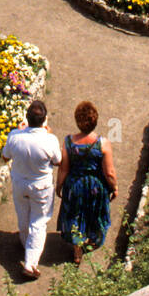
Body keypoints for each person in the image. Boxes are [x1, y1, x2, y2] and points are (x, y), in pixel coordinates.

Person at [1, 100, 62, 280]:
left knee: (23, 216)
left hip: (20, 183)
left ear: (26, 119)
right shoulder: (50, 140)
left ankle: (26, 243)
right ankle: (30, 263)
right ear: (44, 120)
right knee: (39, 222)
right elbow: (58, 161)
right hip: (41, 186)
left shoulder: (14, 136)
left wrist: (19, 132)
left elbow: (5, 157)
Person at [56, 101, 118, 265]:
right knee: (94, 214)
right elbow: (109, 172)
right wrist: (114, 187)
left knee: (75, 215)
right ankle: (90, 240)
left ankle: (77, 250)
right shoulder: (103, 143)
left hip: (74, 185)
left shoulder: (68, 142)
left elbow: (63, 169)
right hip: (95, 186)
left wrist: (59, 186)